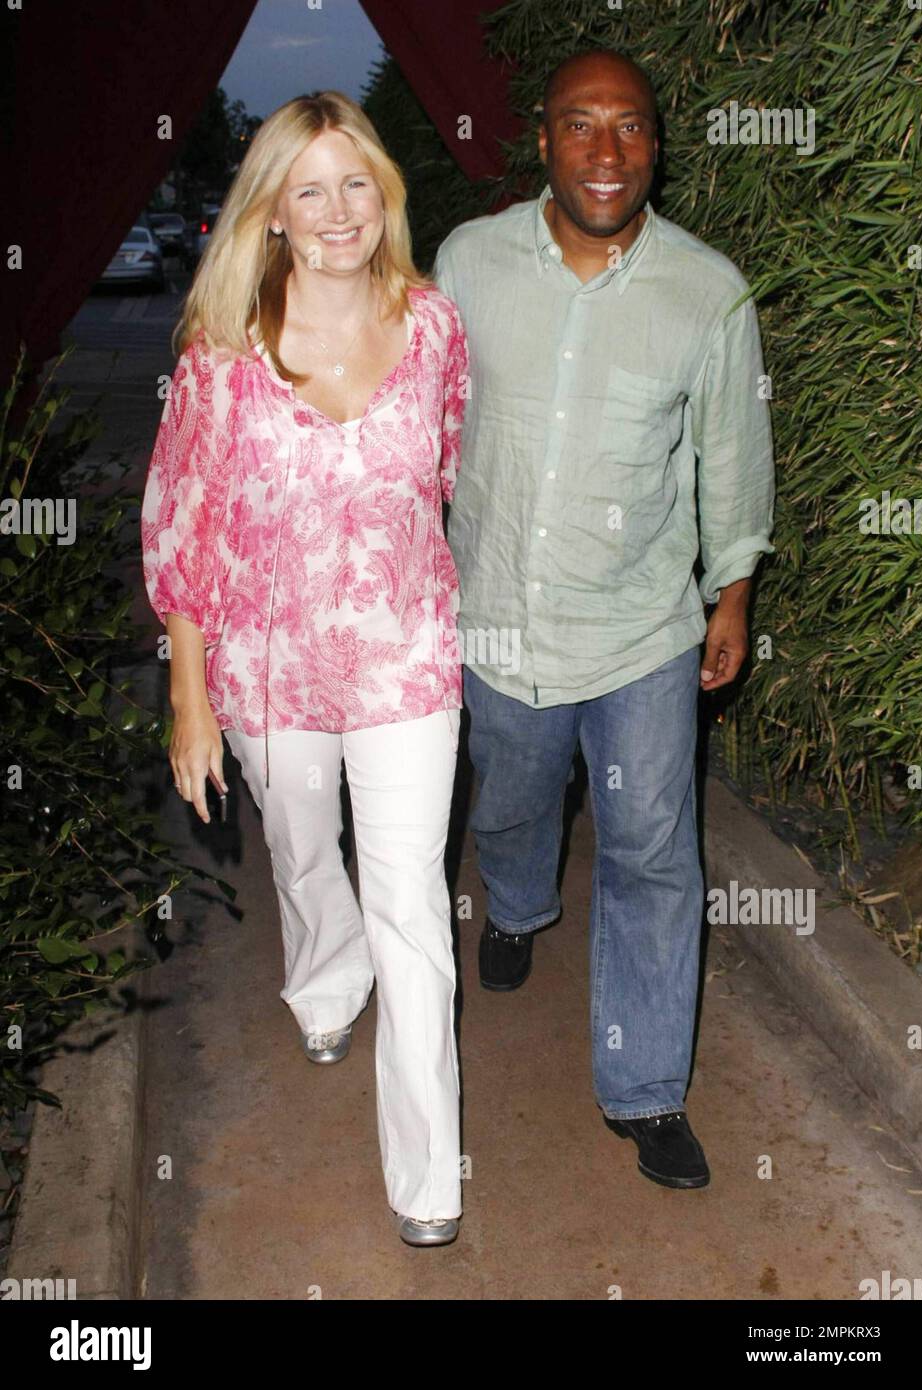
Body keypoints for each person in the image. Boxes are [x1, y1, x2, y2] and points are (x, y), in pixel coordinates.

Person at [434, 50, 775, 1190]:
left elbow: (730, 453)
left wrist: (730, 589)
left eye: (628, 128)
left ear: (655, 146)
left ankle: (643, 1090)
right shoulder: (468, 264)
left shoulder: (706, 290)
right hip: (498, 618)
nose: (605, 152)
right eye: (581, 125)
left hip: (640, 630)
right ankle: (518, 905)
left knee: (651, 853)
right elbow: (422, 424)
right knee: (514, 793)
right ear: (543, 139)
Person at [141, 91, 469, 1245]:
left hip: (404, 661)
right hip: (267, 664)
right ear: (271, 213)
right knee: (298, 841)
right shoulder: (220, 353)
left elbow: (444, 467)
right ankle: (325, 980)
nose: (339, 210)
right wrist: (189, 700)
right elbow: (182, 529)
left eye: (357, 183)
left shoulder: (431, 325)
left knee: (413, 906)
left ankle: (429, 1179)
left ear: (385, 194)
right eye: (310, 189)